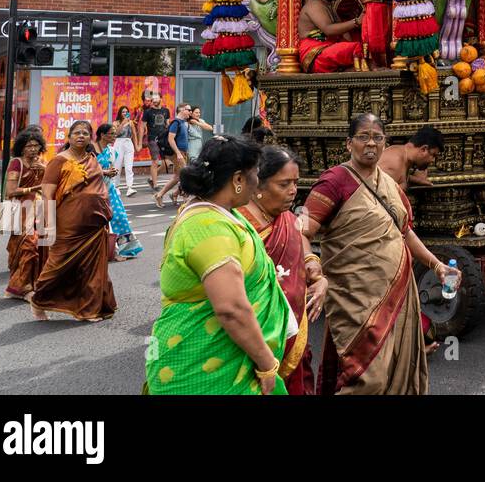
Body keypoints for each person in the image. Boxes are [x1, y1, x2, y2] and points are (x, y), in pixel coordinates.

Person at [303, 113, 449, 394]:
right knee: (370, 378)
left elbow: (404, 231)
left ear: (385, 143)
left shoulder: (390, 184)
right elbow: (302, 231)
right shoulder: (335, 181)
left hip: (398, 291)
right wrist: (312, 266)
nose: (371, 144)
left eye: (377, 138)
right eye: (363, 137)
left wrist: (436, 264)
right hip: (355, 297)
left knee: (397, 369)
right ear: (349, 144)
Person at [147, 136, 292, 394]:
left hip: (218, 359)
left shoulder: (219, 212)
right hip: (201, 367)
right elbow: (231, 309)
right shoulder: (209, 228)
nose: (257, 181)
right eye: (255, 173)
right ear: (238, 179)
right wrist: (268, 365)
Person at [238, 145, 327, 395]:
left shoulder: (286, 218)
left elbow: (301, 240)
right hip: (253, 338)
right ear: (257, 185)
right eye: (283, 184)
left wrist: (316, 271)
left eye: (296, 183)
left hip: (292, 331)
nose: (293, 191)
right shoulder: (239, 224)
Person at [31, 120, 117, 322]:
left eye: (85, 133)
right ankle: (38, 302)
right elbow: (47, 193)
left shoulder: (92, 159)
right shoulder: (59, 160)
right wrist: (49, 224)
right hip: (68, 225)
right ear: (69, 137)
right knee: (57, 265)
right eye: (77, 133)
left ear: (90, 138)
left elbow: (99, 187)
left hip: (94, 225)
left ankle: (88, 309)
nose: (81, 136)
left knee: (90, 269)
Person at [3, 127, 49, 299]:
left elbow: (53, 183)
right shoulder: (17, 163)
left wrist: (44, 169)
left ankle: (28, 286)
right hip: (22, 211)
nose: (33, 149)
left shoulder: (42, 162)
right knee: (27, 247)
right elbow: (11, 191)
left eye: (36, 145)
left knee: (42, 248)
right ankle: (22, 288)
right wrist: (35, 187)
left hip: (41, 209)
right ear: (21, 147)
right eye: (28, 146)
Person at [298, 0, 365, 73]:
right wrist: (357, 22)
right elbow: (328, 29)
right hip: (315, 56)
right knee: (355, 48)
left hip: (328, 51)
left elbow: (345, 36)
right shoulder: (313, 5)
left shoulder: (330, 8)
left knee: (360, 47)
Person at [95, 123, 142, 261]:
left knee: (120, 216)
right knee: (102, 221)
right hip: (95, 190)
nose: (114, 136)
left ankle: (126, 249)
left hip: (109, 189)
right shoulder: (92, 150)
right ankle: (109, 251)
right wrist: (104, 172)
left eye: (115, 134)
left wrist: (111, 172)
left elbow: (109, 167)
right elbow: (88, 169)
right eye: (111, 134)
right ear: (102, 135)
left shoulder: (111, 150)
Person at [154, 104, 193, 208]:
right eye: (188, 110)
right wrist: (179, 153)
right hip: (178, 153)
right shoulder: (176, 122)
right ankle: (185, 199)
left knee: (177, 177)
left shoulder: (183, 123)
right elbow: (170, 139)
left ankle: (162, 195)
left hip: (182, 153)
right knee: (186, 175)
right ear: (182, 110)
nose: (190, 112)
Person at [140, 92, 172, 195]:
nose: (154, 100)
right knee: (155, 161)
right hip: (152, 139)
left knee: (166, 163)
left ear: (161, 98)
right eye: (153, 99)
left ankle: (151, 179)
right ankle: (155, 184)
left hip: (163, 139)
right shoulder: (147, 112)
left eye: (156, 98)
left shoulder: (166, 111)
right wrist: (141, 140)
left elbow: (167, 125)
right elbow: (142, 126)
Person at [111, 106, 137, 197]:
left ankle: (130, 187)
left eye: (126, 112)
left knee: (129, 167)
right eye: (123, 112)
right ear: (120, 113)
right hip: (118, 143)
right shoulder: (115, 123)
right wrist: (123, 123)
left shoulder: (131, 123)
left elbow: (134, 134)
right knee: (117, 165)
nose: (125, 113)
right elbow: (116, 133)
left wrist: (136, 145)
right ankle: (116, 186)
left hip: (128, 143)